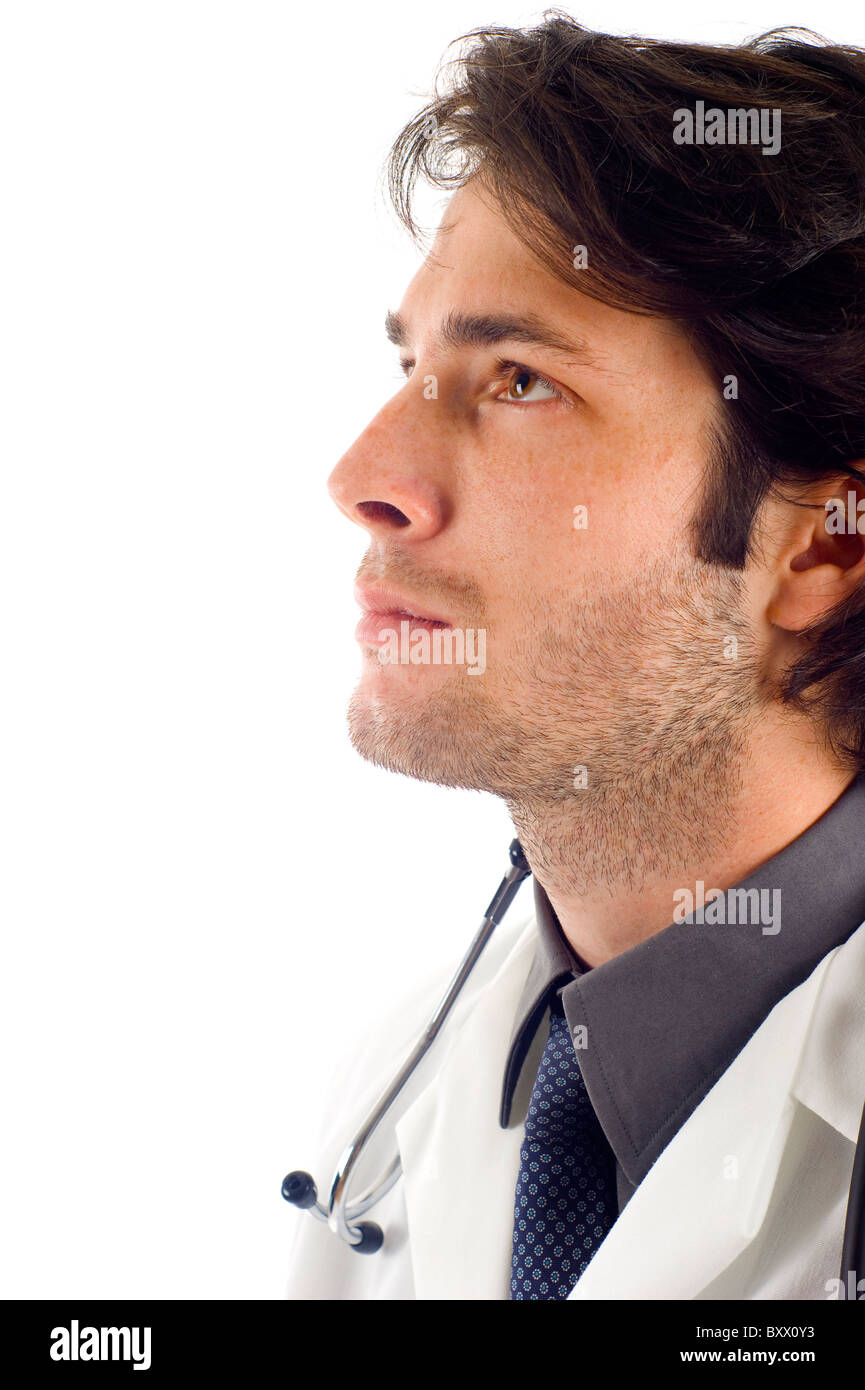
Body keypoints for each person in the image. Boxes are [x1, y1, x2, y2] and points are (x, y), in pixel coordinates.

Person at [284, 17, 865, 1300]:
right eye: (410, 363)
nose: (363, 480)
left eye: (519, 381)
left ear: (820, 545)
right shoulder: (396, 1099)